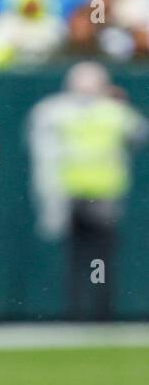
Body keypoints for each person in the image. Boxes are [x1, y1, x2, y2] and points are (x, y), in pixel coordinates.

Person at [27, 61, 147, 321]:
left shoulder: (102, 111)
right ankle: (86, 310)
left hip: (97, 193)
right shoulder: (100, 111)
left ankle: (92, 310)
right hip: (80, 192)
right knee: (87, 257)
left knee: (91, 257)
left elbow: (139, 135)